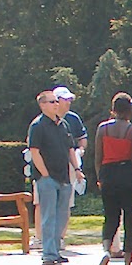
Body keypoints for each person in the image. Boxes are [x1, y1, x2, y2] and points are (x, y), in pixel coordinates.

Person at [95, 93, 132, 265]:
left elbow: (98, 158)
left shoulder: (102, 129)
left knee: (110, 216)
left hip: (108, 175)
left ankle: (107, 250)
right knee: (131, 219)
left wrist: (101, 178)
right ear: (129, 109)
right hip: (127, 175)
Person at [27, 90, 75, 265]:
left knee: (61, 216)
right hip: (47, 179)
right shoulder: (37, 126)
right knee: (48, 216)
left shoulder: (63, 125)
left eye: (57, 101)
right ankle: (48, 254)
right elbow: (34, 151)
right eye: (53, 101)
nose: (57, 104)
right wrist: (45, 173)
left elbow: (70, 149)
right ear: (43, 105)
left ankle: (56, 250)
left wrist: (76, 169)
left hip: (64, 177)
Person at [53, 86, 88, 245]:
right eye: (65, 100)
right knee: (45, 203)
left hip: (70, 164)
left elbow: (80, 140)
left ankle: (60, 237)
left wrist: (80, 152)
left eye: (69, 100)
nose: (68, 103)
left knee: (66, 201)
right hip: (49, 168)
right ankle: (43, 238)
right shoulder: (45, 120)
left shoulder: (72, 119)